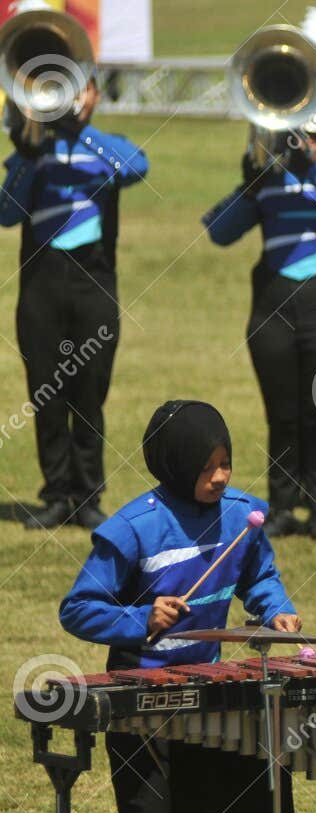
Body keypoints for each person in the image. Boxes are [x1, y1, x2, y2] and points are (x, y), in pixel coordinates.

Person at [59, 401, 303, 813]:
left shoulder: (241, 517)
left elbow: (259, 576)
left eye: (227, 463)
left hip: (210, 703)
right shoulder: (133, 528)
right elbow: (79, 607)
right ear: (175, 464)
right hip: (141, 706)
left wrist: (275, 608)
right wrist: (140, 618)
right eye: (209, 466)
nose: (221, 477)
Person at [202, 24, 316, 543]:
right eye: (302, 134)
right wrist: (250, 184)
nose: (307, 142)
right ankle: (281, 505)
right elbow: (219, 231)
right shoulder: (266, 181)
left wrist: (310, 170)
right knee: (281, 411)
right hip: (273, 305)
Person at [0, 75, 148, 529]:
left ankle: (88, 495)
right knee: (46, 391)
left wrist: (76, 128)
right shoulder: (32, 150)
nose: (71, 99)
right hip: (41, 285)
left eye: (81, 89)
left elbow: (137, 166)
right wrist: (30, 148)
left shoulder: (105, 147)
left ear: (95, 96)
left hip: (94, 284)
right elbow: (7, 212)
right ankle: (56, 493)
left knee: (89, 391)